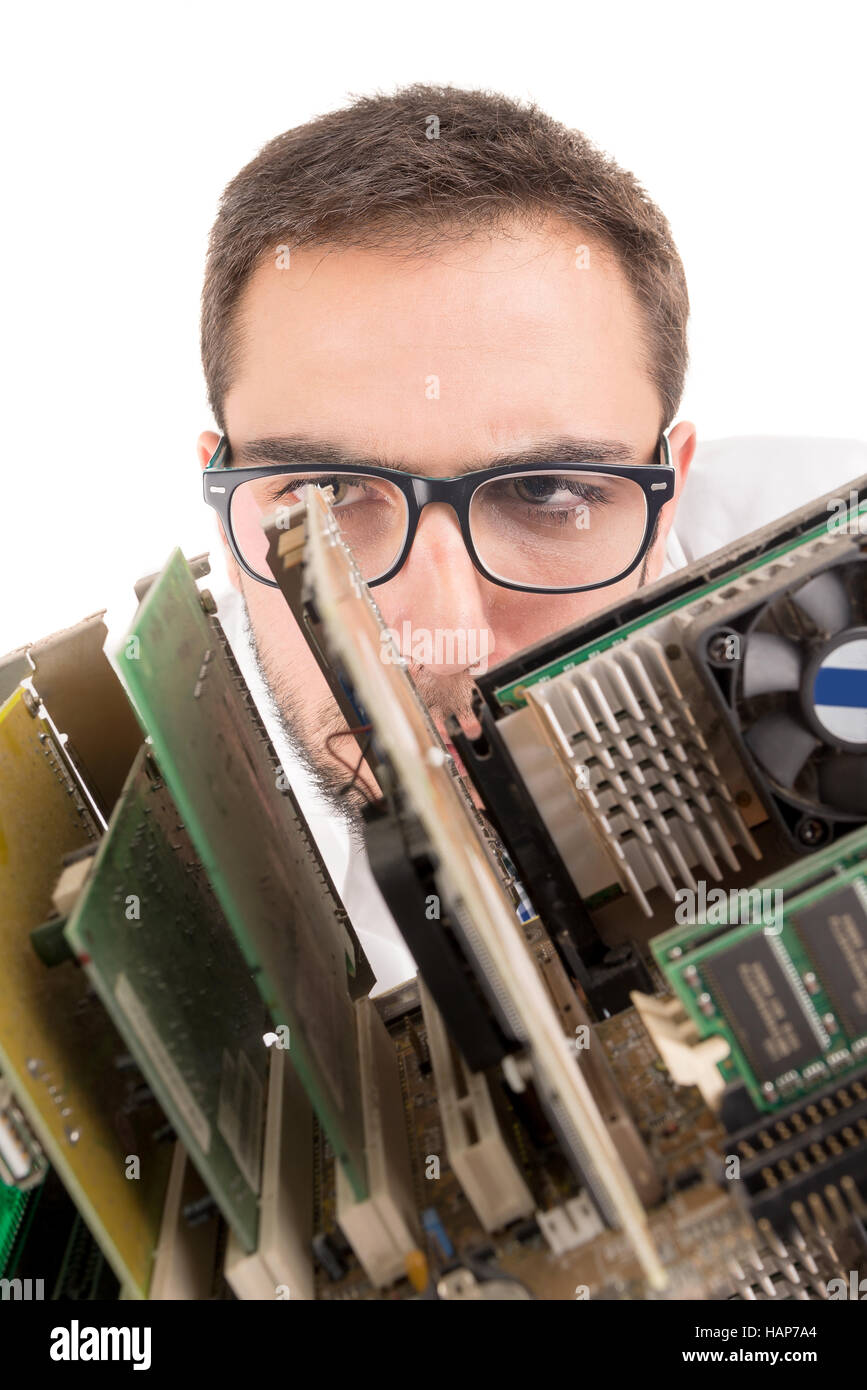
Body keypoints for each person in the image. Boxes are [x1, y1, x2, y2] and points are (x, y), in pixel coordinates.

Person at [195, 83, 864, 989]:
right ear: (221, 498)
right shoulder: (143, 802)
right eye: (327, 492)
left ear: (668, 492)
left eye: (548, 492)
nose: (444, 635)